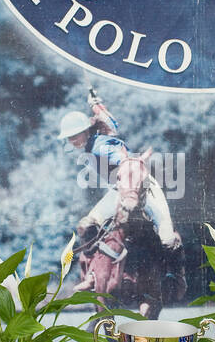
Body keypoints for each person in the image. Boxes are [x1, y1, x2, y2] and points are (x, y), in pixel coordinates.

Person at [58, 89, 180, 251]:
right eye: (69, 137)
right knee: (87, 226)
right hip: (119, 190)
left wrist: (130, 196)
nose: (72, 140)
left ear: (86, 130)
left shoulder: (99, 148)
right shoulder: (97, 139)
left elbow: (128, 163)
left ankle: (175, 274)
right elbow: (112, 125)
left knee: (168, 238)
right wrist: (96, 105)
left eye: (75, 135)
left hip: (143, 189)